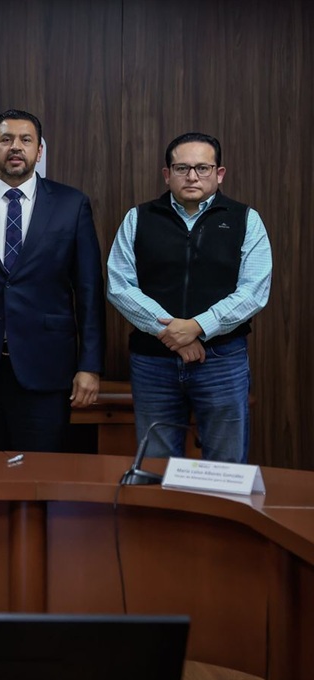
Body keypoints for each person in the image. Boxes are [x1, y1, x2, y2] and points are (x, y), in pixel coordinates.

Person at [0, 109, 104, 452]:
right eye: (6, 139)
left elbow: (89, 290)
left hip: (46, 369)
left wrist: (90, 366)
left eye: (26, 140)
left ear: (39, 151)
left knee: (40, 474)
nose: (16, 147)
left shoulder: (71, 205)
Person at [107, 132, 272, 463]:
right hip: (153, 363)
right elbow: (119, 285)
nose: (192, 176)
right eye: (182, 168)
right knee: (155, 465)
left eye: (202, 168)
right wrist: (173, 335)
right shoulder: (138, 218)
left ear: (219, 173)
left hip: (221, 361)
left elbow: (253, 290)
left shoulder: (245, 219)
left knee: (225, 466)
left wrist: (197, 327)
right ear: (167, 174)